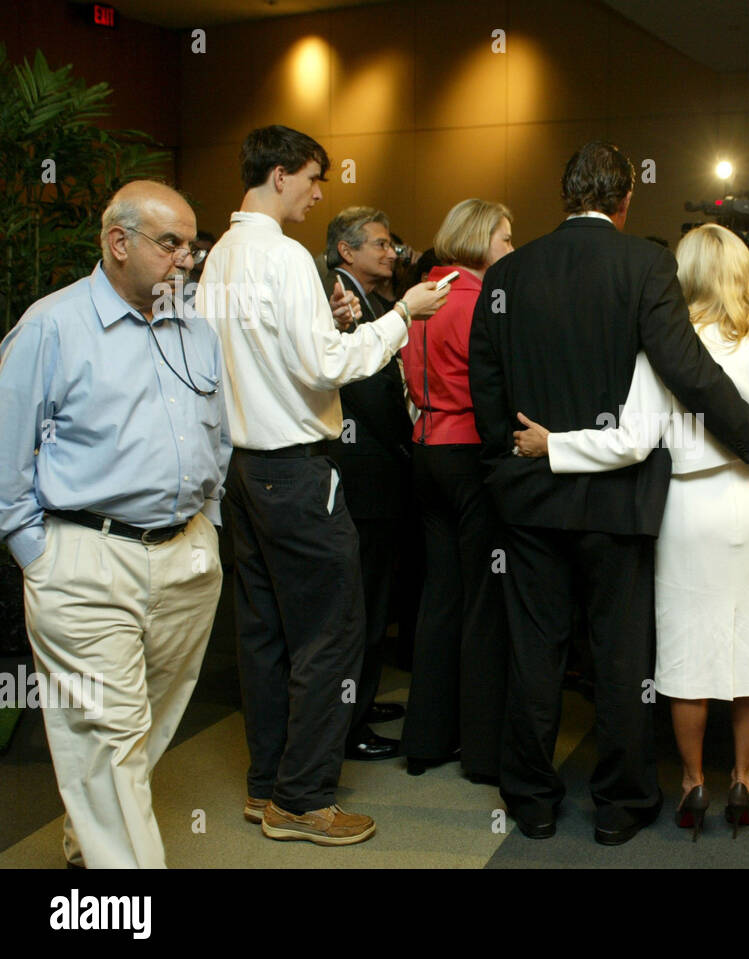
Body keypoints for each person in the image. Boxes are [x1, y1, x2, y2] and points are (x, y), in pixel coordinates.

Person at [468, 140, 749, 846]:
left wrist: (507, 464)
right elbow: (686, 368)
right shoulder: (644, 263)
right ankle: (620, 802)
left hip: (532, 495)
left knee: (534, 651)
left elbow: (483, 382)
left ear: (563, 193)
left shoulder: (508, 273)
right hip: (619, 499)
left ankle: (532, 799)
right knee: (620, 657)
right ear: (625, 198)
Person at [199, 124, 447, 846]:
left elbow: (259, 351)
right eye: (313, 178)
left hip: (243, 470)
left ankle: (265, 785)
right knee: (330, 634)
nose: (317, 192)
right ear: (280, 174)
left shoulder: (222, 256)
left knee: (265, 633)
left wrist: (330, 327)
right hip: (295, 470)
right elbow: (324, 369)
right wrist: (402, 317)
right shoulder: (279, 254)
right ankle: (303, 799)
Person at [0, 181, 228, 867]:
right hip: (84, 558)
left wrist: (209, 526)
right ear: (117, 242)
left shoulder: (197, 326)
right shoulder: (51, 325)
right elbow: (7, 457)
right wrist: (37, 553)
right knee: (110, 732)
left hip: (187, 558)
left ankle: (83, 840)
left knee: (140, 730)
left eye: (192, 243)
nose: (186, 258)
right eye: (171, 243)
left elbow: (216, 437)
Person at [401, 199, 514, 783]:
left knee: (439, 596)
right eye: (504, 238)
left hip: (425, 450)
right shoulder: (477, 303)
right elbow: (493, 386)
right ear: (477, 240)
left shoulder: (421, 296)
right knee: (481, 602)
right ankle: (480, 750)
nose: (511, 250)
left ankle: (424, 738)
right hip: (470, 453)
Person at [322, 205, 415, 762]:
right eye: (379, 244)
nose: (391, 252)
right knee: (361, 606)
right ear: (347, 250)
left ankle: (364, 699)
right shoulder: (343, 302)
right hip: (362, 475)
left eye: (391, 245)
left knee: (375, 603)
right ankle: (349, 722)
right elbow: (372, 391)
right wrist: (412, 439)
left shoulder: (371, 299)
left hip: (378, 472)